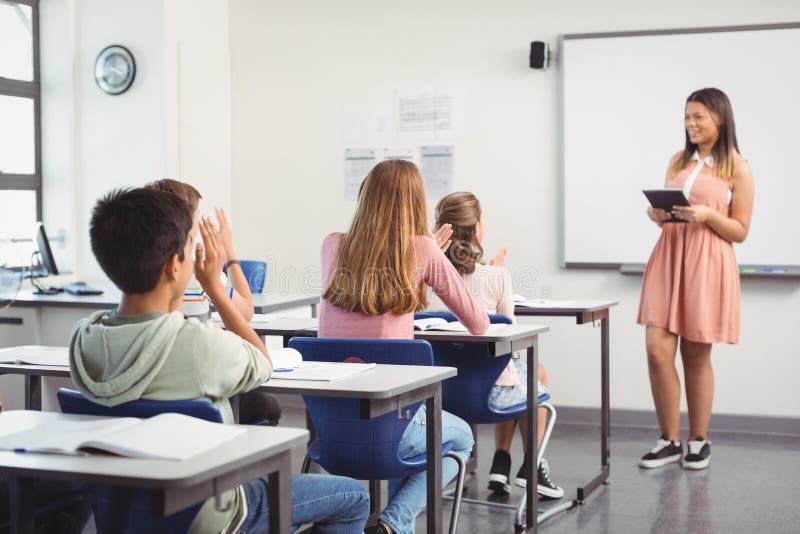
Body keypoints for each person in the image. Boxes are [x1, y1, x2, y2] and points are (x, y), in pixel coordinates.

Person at [69, 187, 369, 533]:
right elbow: (261, 362)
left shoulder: (83, 338)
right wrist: (213, 287)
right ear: (173, 265)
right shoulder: (199, 346)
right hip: (209, 512)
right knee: (353, 497)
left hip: (122, 511)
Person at [319, 160, 488, 534]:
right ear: (415, 202)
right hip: (392, 430)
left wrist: (425, 253)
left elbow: (371, 279)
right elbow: (479, 322)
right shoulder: (424, 250)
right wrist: (432, 257)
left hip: (330, 434)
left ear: (365, 196)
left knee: (410, 426)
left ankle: (395, 525)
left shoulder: (332, 245)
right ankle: (393, 522)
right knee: (461, 439)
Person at [637, 88, 754, 470]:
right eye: (687, 117)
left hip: (708, 261)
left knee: (696, 353)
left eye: (699, 116)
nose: (690, 124)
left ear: (720, 118)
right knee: (657, 349)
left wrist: (708, 216)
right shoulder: (677, 160)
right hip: (670, 255)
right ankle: (668, 439)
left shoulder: (737, 166)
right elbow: (671, 207)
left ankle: (698, 440)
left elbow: (740, 230)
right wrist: (658, 215)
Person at [427, 191, 564, 500]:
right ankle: (534, 465)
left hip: (438, 397)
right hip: (488, 398)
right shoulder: (497, 277)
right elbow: (508, 336)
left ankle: (501, 463)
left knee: (517, 369)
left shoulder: (424, 278)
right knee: (532, 372)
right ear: (476, 228)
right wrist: (495, 272)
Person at [144, 179, 281, 426]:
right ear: (185, 223)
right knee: (267, 405)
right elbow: (247, 311)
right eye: (197, 215)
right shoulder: (200, 271)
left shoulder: (137, 271)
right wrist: (228, 250)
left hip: (152, 404)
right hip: (198, 389)